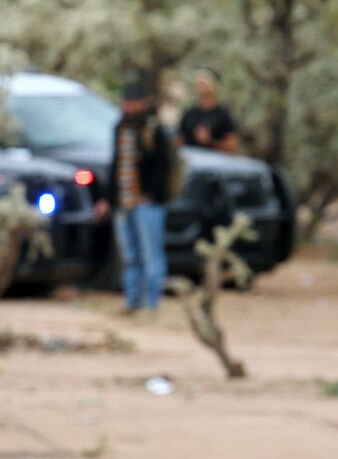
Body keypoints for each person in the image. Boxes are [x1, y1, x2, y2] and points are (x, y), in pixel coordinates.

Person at [97, 80, 173, 314]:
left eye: (133, 102)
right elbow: (116, 165)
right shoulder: (120, 128)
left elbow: (163, 167)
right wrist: (108, 199)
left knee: (151, 255)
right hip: (123, 202)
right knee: (130, 256)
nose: (128, 106)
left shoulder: (154, 130)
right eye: (126, 102)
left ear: (143, 103)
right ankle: (132, 301)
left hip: (147, 205)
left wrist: (150, 195)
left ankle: (152, 304)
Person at [178, 69, 241, 154]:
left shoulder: (223, 114)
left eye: (204, 83)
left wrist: (210, 141)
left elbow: (232, 147)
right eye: (199, 83)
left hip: (215, 159)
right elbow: (180, 142)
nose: (201, 86)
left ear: (214, 85)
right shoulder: (189, 113)